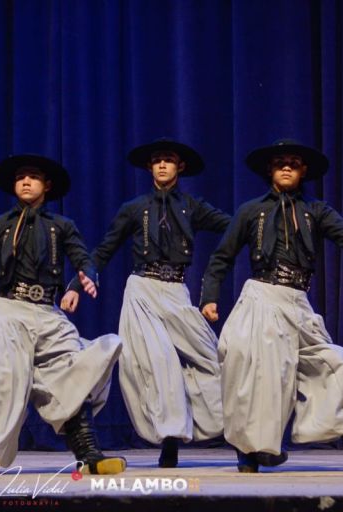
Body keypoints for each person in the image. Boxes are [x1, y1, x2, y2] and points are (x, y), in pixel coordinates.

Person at [200, 139, 343, 473]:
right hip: (261, 297)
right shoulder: (251, 211)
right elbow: (221, 258)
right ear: (270, 170)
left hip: (297, 302)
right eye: (280, 162)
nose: (286, 167)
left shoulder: (316, 211)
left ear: (302, 171)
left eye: (294, 162)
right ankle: (251, 451)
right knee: (255, 375)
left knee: (333, 363)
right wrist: (209, 297)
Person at [0, 154, 125, 475]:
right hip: (8, 311)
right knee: (0, 380)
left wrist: (82, 279)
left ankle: (89, 453)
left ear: (46, 186)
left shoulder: (61, 226)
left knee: (70, 371)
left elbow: (82, 257)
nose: (25, 182)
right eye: (21, 177)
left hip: (47, 312)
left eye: (33, 177)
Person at [63, 138, 230, 467]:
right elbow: (105, 248)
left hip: (177, 291)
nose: (163, 165)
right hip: (143, 289)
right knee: (159, 365)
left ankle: (236, 431)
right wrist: (76, 283)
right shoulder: (134, 208)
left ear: (179, 167)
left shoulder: (192, 206)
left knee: (211, 358)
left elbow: (233, 226)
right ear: (150, 168)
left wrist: (264, 226)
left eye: (169, 160)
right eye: (157, 161)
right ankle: (170, 439)